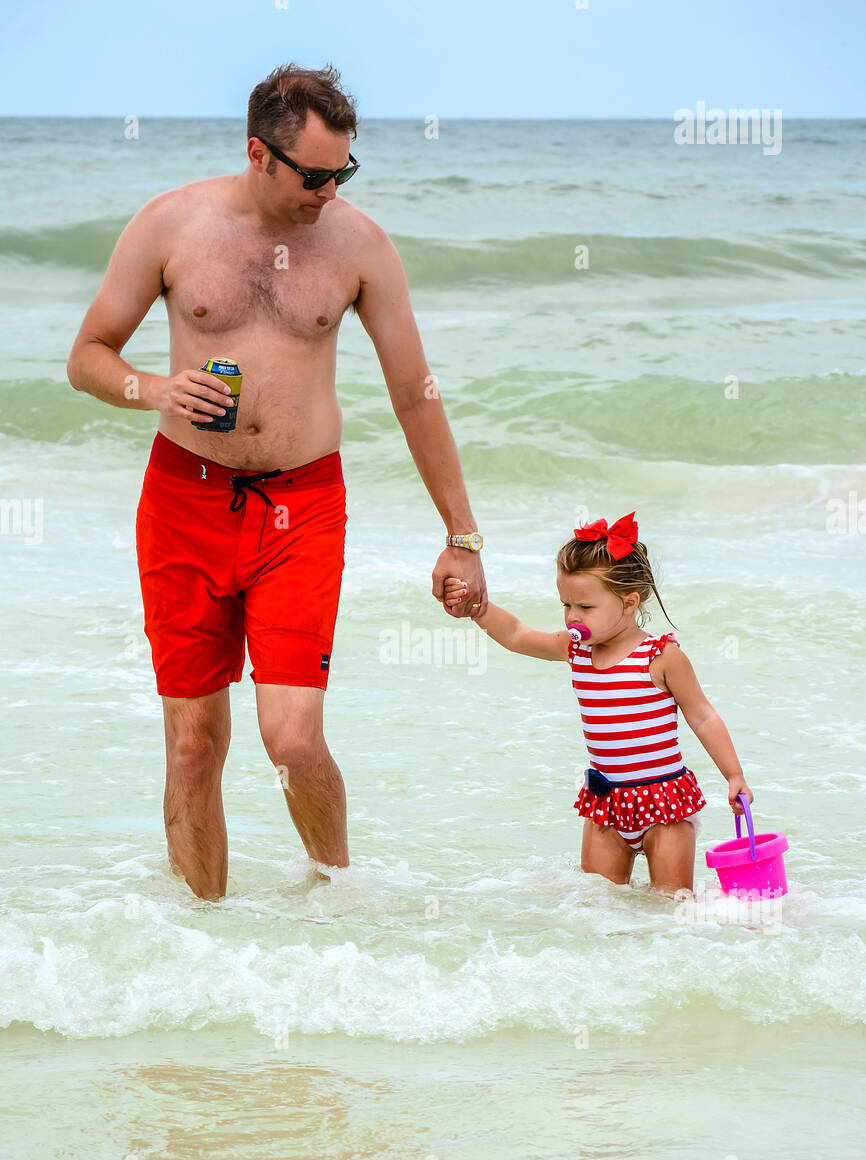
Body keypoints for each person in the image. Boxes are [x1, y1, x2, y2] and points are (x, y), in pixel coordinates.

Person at [66, 63, 487, 901]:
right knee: (193, 743)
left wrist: (462, 536)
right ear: (260, 153)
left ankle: (336, 901)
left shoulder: (357, 244)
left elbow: (415, 393)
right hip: (184, 500)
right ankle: (209, 936)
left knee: (292, 740)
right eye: (315, 175)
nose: (330, 191)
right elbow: (87, 357)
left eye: (344, 173)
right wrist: (154, 389)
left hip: (302, 505)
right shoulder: (169, 226)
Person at [445, 511, 753, 895]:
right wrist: (477, 609)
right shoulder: (576, 650)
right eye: (566, 605)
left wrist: (734, 774)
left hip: (664, 805)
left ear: (629, 602)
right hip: (606, 803)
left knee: (669, 905)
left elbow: (703, 716)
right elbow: (518, 635)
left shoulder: (660, 657)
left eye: (585, 608)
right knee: (598, 904)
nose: (573, 617)